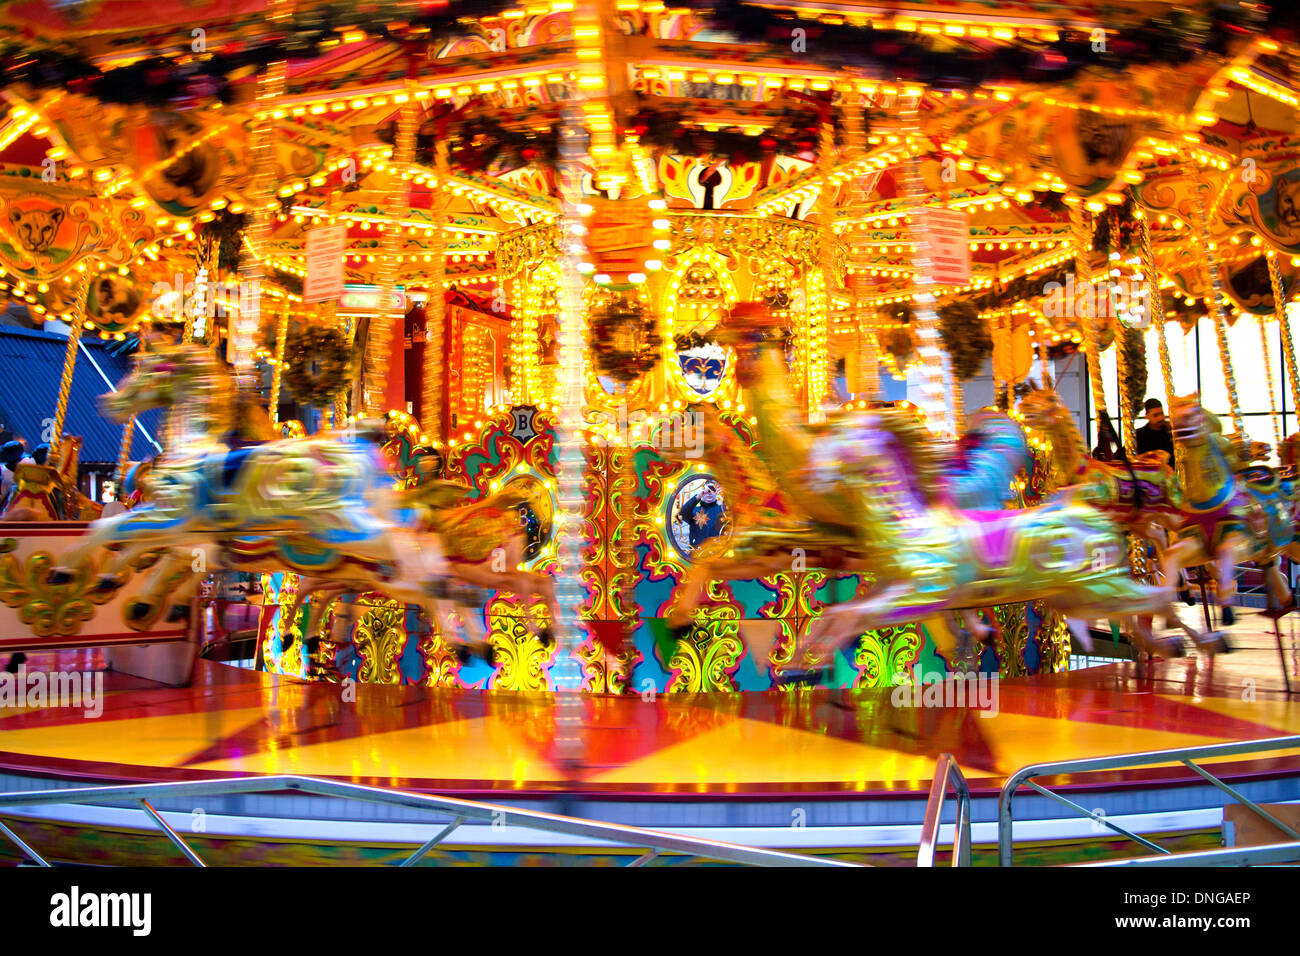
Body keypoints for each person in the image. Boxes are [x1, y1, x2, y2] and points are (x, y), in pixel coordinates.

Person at [678, 480, 727, 551]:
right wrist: (697, 497)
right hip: (697, 551)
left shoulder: (722, 508)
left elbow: (734, 514)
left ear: (716, 492)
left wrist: (725, 496)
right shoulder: (694, 509)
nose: (709, 493)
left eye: (712, 489)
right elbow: (682, 514)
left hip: (717, 550)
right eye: (706, 490)